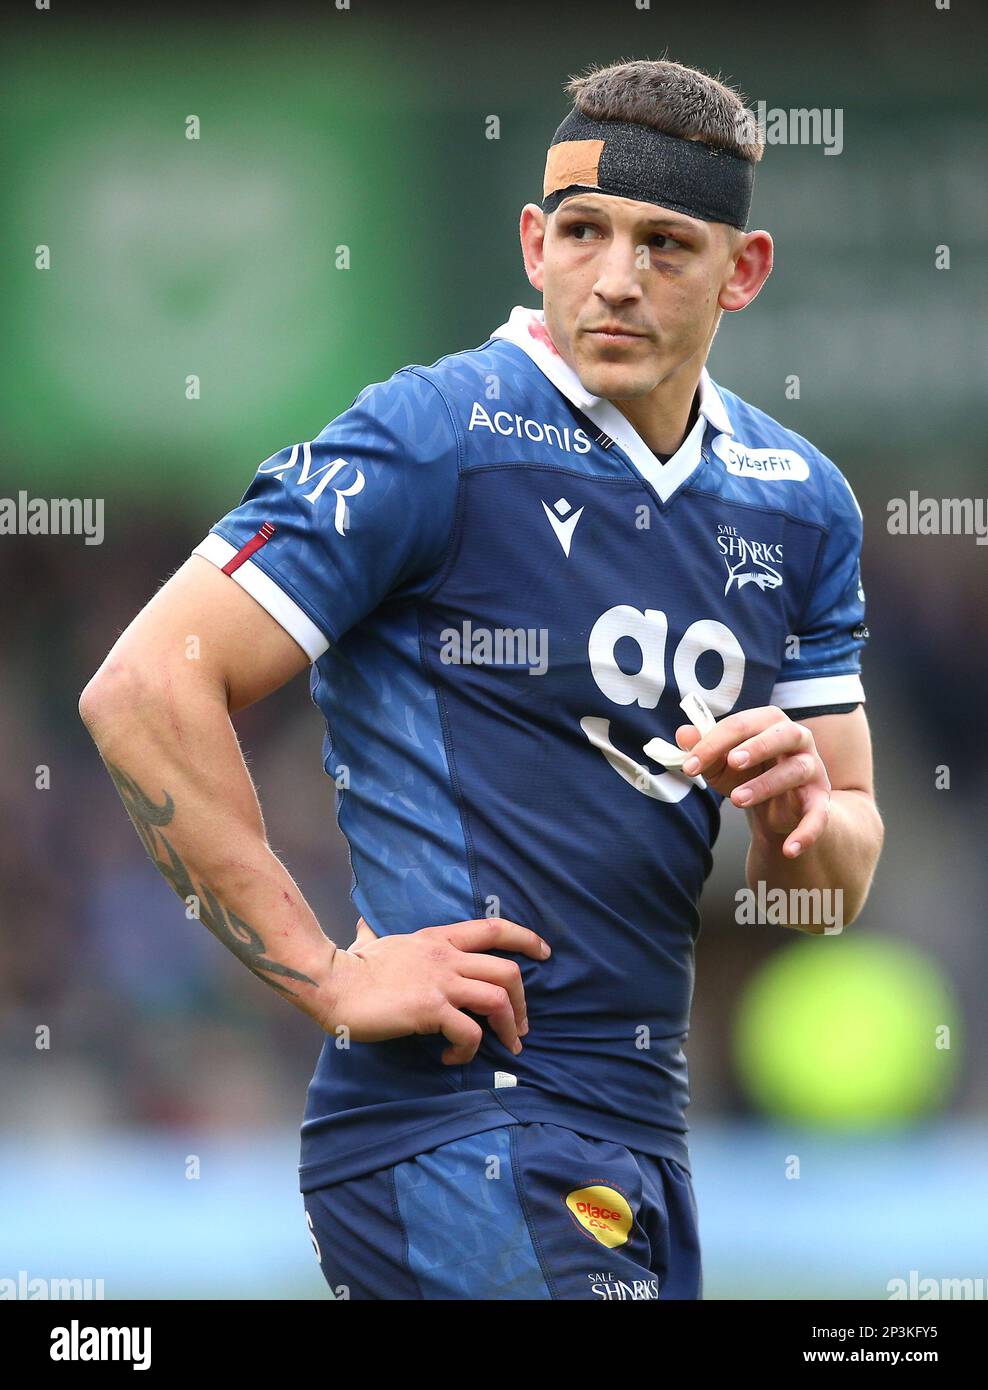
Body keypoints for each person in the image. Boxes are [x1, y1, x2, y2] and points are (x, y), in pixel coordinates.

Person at [79, 56, 884, 1300]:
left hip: (639, 1131)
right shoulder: (436, 434)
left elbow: (832, 888)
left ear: (744, 269)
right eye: (582, 233)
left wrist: (802, 826)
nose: (614, 278)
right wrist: (329, 973)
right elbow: (140, 690)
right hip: (459, 1127)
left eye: (666, 244)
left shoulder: (800, 505)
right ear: (531, 241)